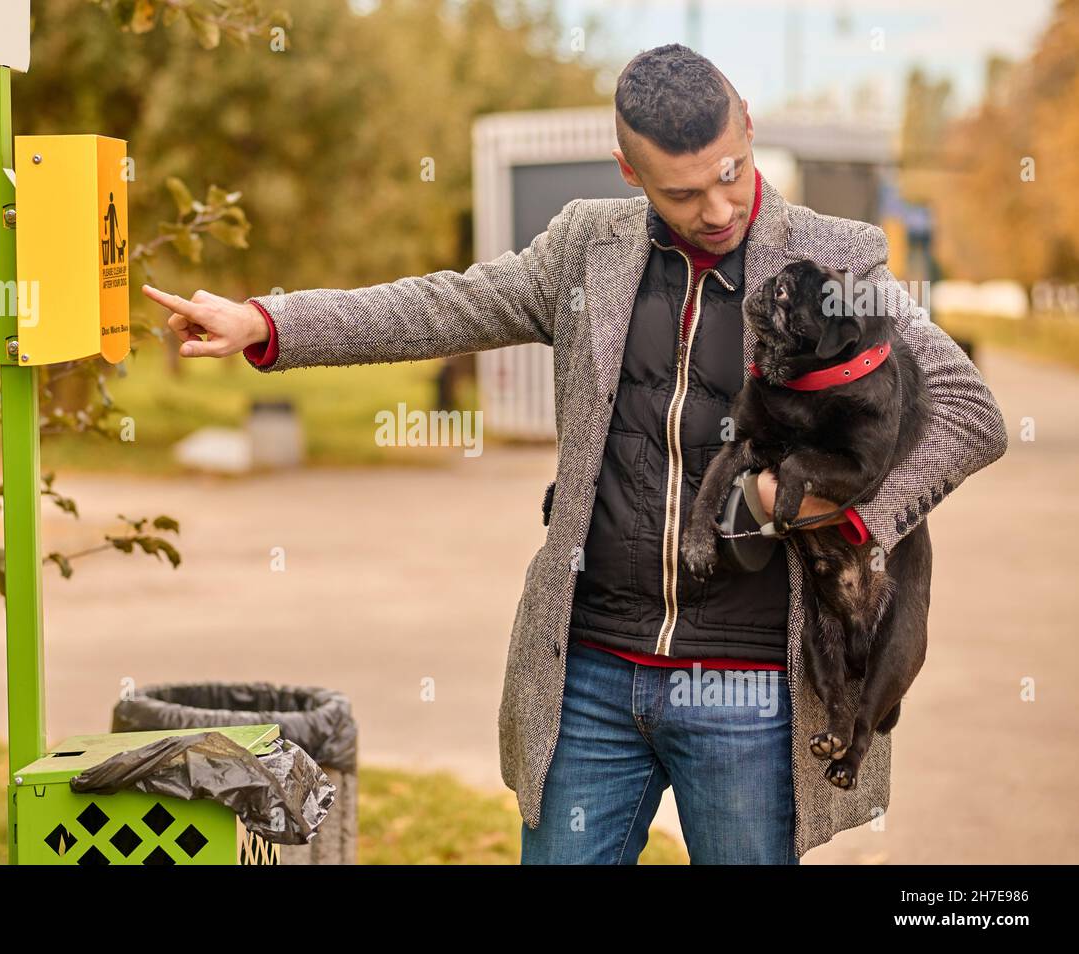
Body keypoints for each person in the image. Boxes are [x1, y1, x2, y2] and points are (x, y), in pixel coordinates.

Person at [141, 44, 1009, 864]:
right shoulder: (586, 247)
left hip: (751, 690)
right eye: (681, 193)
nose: (716, 209)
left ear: (745, 124)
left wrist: (852, 515)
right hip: (590, 674)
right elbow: (445, 307)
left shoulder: (836, 258)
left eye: (729, 174)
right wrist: (270, 323)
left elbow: (972, 411)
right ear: (629, 171)